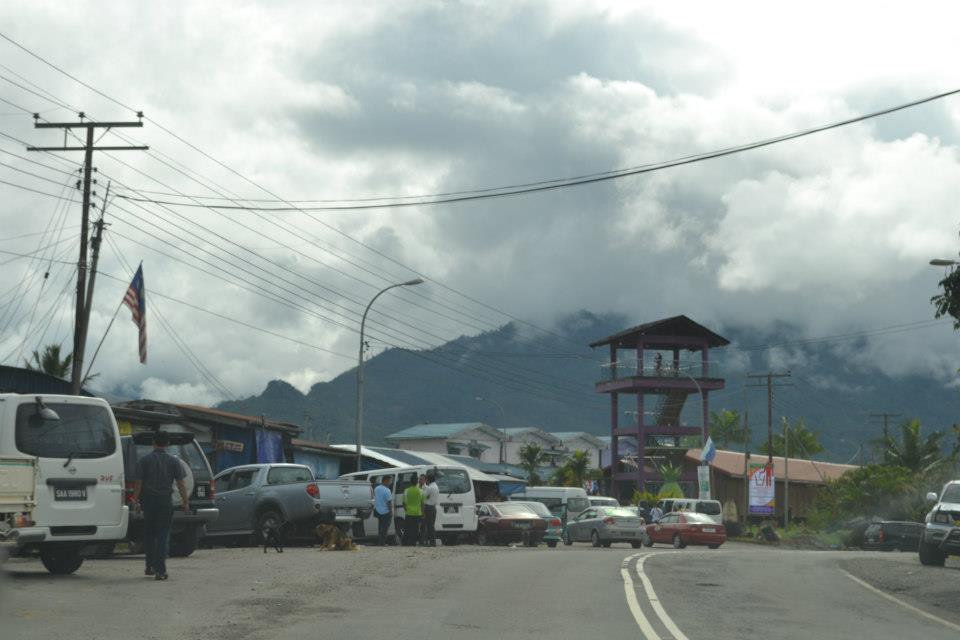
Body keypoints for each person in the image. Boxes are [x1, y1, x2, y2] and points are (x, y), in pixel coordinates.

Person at [131, 431, 189, 581]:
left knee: (149, 534)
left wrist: (135, 501)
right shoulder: (174, 461)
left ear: (153, 443)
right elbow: (181, 483)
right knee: (163, 536)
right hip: (165, 501)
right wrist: (185, 501)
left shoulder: (144, 460)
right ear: (168, 444)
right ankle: (160, 571)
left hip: (148, 501)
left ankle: (149, 566)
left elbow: (138, 483)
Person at [402, 479, 424, 546]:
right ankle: (413, 542)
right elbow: (422, 503)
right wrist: (423, 513)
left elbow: (403, 503)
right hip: (418, 513)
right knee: (416, 529)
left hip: (409, 512)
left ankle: (406, 542)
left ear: (410, 482)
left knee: (408, 528)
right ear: (417, 482)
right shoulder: (421, 491)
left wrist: (406, 510)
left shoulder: (406, 490)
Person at [374, 476, 393, 546]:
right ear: (386, 481)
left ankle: (380, 542)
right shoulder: (387, 490)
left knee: (380, 527)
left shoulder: (376, 488)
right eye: (390, 481)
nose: (391, 482)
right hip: (385, 511)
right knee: (385, 528)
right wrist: (391, 512)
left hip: (378, 510)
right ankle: (383, 542)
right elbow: (389, 503)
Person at [422, 471, 440, 547]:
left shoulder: (430, 487)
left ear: (428, 480)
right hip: (433, 507)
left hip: (428, 507)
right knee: (431, 525)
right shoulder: (436, 486)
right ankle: (431, 542)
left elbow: (423, 496)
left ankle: (432, 543)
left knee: (429, 526)